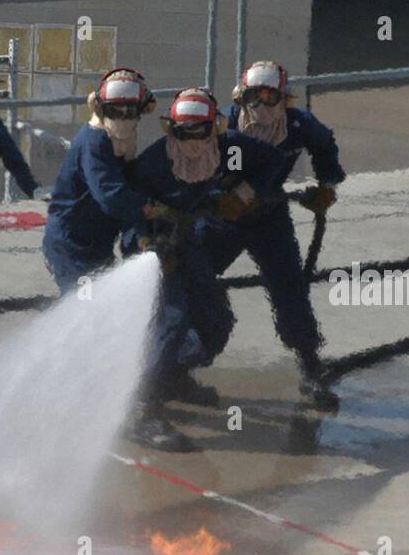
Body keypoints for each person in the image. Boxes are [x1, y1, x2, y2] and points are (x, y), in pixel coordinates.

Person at [122, 86, 286, 450]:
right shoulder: (152, 164)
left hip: (188, 240)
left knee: (216, 320)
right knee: (174, 318)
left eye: (200, 132)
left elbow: (273, 163)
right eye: (183, 132)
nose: (193, 143)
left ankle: (175, 376)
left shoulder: (231, 150)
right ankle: (144, 410)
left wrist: (241, 194)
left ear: (215, 128)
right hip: (153, 247)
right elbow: (128, 213)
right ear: (171, 130)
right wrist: (151, 247)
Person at [215, 60, 346, 411]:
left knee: (290, 289)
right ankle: (172, 364)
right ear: (240, 98)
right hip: (222, 221)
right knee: (191, 278)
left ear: (284, 100)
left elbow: (325, 144)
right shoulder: (222, 126)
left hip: (270, 219)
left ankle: (310, 365)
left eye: (269, 97)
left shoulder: (299, 126)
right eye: (251, 98)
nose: (259, 107)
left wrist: (327, 184)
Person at [41, 67, 159, 293]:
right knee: (84, 303)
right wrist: (148, 207)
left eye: (130, 110)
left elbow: (128, 184)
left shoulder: (123, 141)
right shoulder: (94, 141)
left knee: (102, 302)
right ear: (101, 107)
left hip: (98, 240)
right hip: (72, 242)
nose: (123, 116)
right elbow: (110, 195)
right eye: (115, 109)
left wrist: (141, 234)